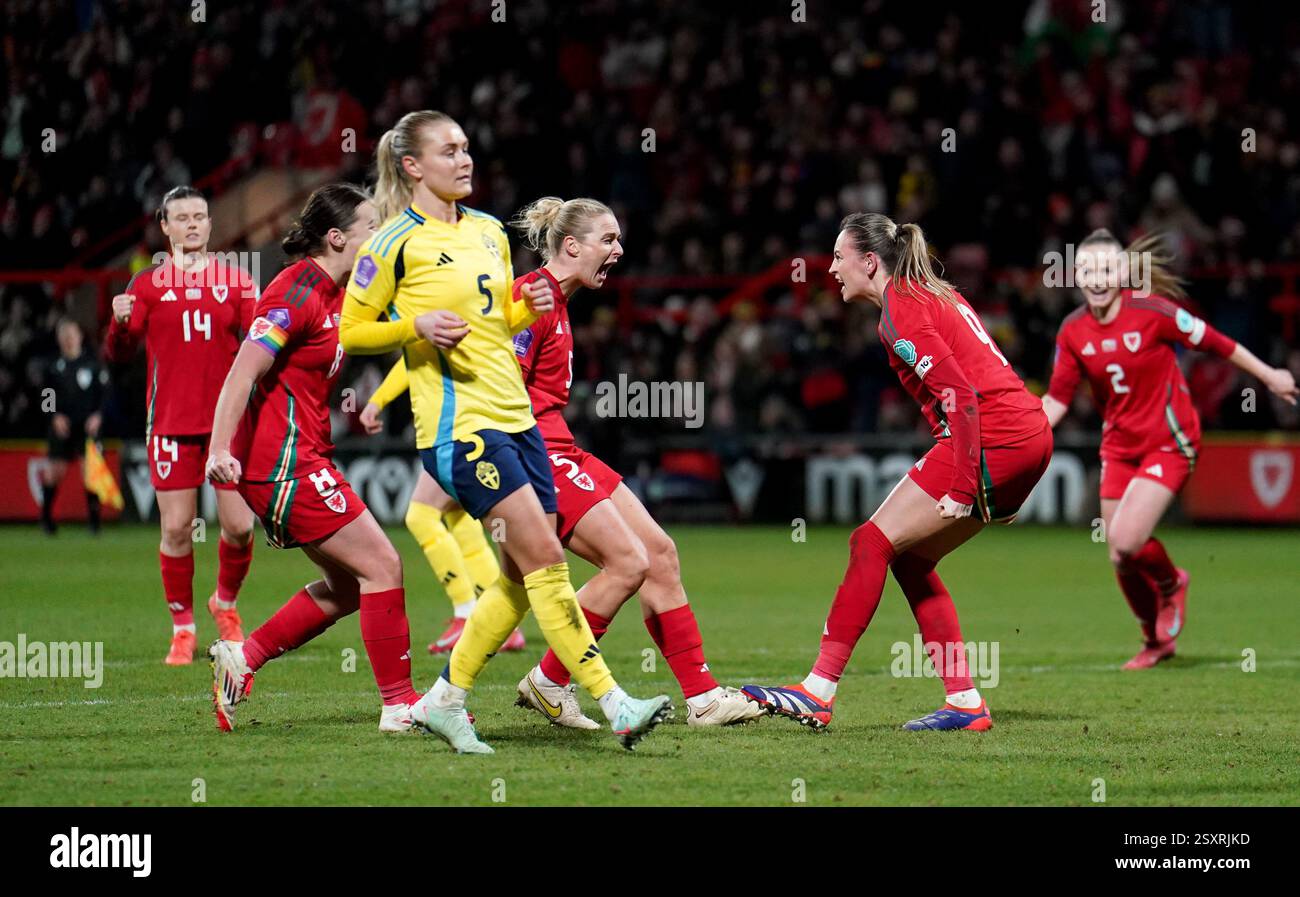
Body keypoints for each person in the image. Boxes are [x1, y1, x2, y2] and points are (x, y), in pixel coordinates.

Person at [338, 110, 671, 752]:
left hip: (519, 424)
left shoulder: (489, 232)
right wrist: (415, 328)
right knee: (547, 559)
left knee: (519, 583)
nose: (464, 159)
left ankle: (444, 700)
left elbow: (498, 320)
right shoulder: (391, 243)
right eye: (448, 151)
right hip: (461, 426)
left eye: (466, 148)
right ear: (412, 167)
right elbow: (352, 330)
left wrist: (529, 302)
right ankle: (614, 701)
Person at [743, 213, 1054, 731]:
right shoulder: (925, 294)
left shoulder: (903, 311)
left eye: (840, 258)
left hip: (993, 436)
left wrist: (962, 485)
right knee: (909, 560)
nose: (833, 270)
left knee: (871, 543)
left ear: (869, 261)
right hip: (1024, 433)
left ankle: (818, 690)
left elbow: (960, 396)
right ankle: (965, 702)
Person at [508, 196, 762, 727]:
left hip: (562, 448)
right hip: (539, 455)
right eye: (608, 240)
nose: (619, 251)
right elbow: (500, 389)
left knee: (660, 554)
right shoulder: (532, 300)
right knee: (627, 563)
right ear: (572, 246)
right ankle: (547, 680)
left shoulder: (557, 300)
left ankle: (703, 699)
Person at [204, 183, 432, 736]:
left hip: (305, 460)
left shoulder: (341, 293)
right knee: (384, 567)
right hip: (282, 469)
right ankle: (399, 705)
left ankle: (244, 657)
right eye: (370, 229)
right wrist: (216, 449)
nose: (379, 239)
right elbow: (242, 372)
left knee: (351, 587)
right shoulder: (295, 290)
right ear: (336, 238)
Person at [1043, 229, 1298, 668]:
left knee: (1124, 539)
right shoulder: (1073, 331)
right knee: (1119, 557)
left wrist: (1270, 375)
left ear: (1123, 272)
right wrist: (1014, 438)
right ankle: (1154, 641)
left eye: (1106, 269)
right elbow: (1056, 401)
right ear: (1075, 276)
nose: (1098, 279)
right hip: (1119, 447)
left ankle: (1172, 582)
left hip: (1170, 441)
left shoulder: (1154, 312)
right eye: (1088, 271)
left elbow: (1217, 343)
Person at [104, 185, 258, 664]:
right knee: (176, 529)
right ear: (164, 227)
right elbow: (119, 354)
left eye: (200, 216)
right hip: (170, 424)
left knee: (239, 527)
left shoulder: (238, 283)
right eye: (182, 217)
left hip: (226, 426)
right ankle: (183, 628)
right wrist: (118, 324)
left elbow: (260, 347)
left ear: (210, 225)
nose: (193, 224)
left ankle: (225, 605)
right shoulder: (145, 286)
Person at [359, 377, 525, 655]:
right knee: (459, 520)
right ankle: (499, 622)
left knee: (421, 514)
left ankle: (467, 613)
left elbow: (413, 351)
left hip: (460, 427)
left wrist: (378, 400)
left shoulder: (439, 334)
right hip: (473, 422)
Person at [39, 319, 108, 535]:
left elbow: (105, 396)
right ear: (59, 339)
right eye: (64, 335)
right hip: (62, 426)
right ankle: (46, 519)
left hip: (87, 427)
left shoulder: (93, 364)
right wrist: (54, 416)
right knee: (54, 472)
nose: (68, 339)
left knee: (90, 472)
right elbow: (45, 396)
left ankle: (94, 522)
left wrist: (98, 416)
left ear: (79, 336)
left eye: (72, 334)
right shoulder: (53, 367)